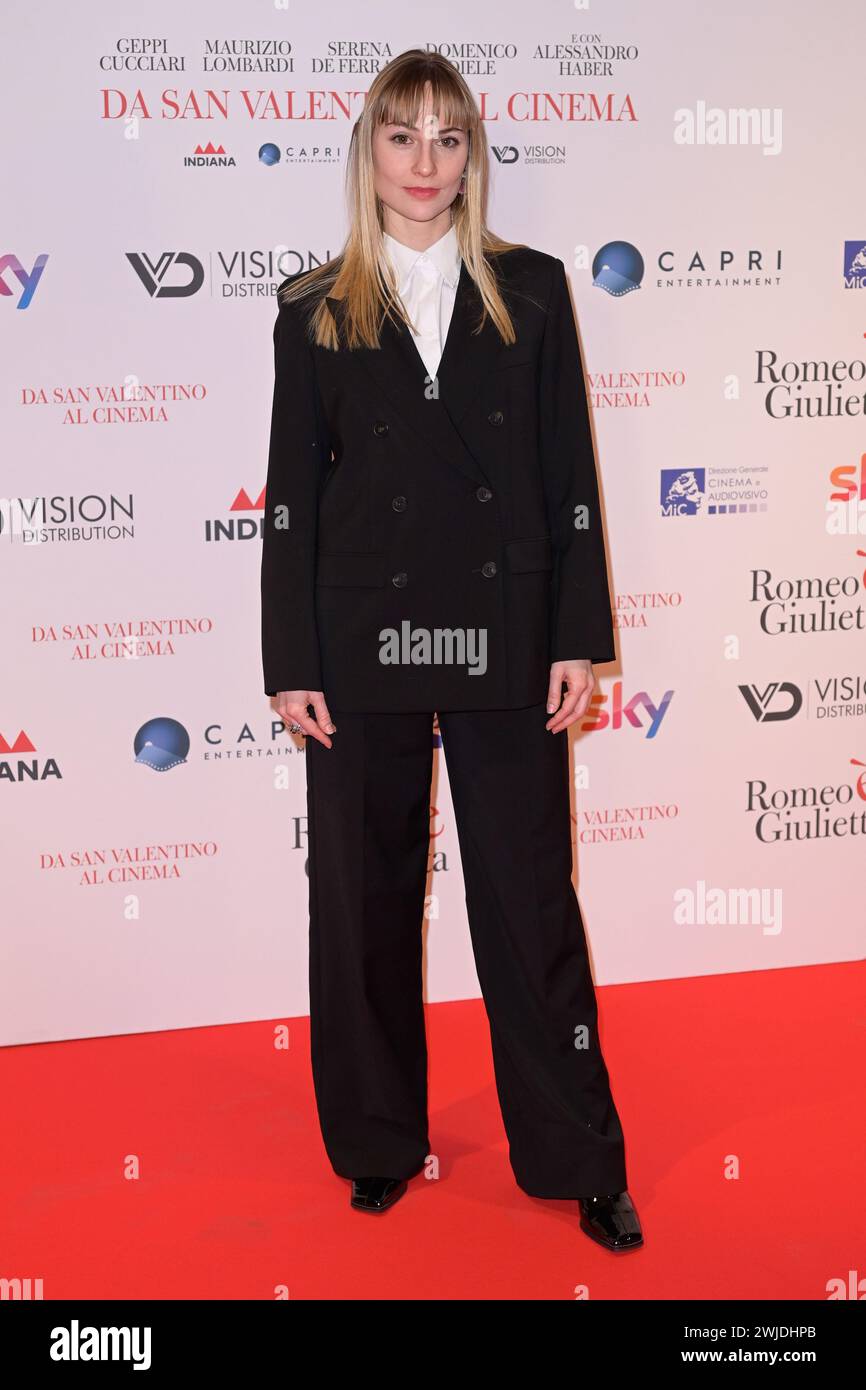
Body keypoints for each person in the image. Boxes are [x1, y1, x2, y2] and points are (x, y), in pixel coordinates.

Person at [260, 49, 643, 1253]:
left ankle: (577, 1157)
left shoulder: (528, 290)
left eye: (447, 139)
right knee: (360, 899)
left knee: (528, 903)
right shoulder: (312, 305)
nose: (424, 164)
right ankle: (377, 1141)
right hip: (357, 635)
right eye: (401, 136)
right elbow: (290, 499)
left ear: (471, 156)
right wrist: (290, 656)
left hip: (505, 633)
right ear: (367, 151)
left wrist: (575, 633)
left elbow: (566, 476)